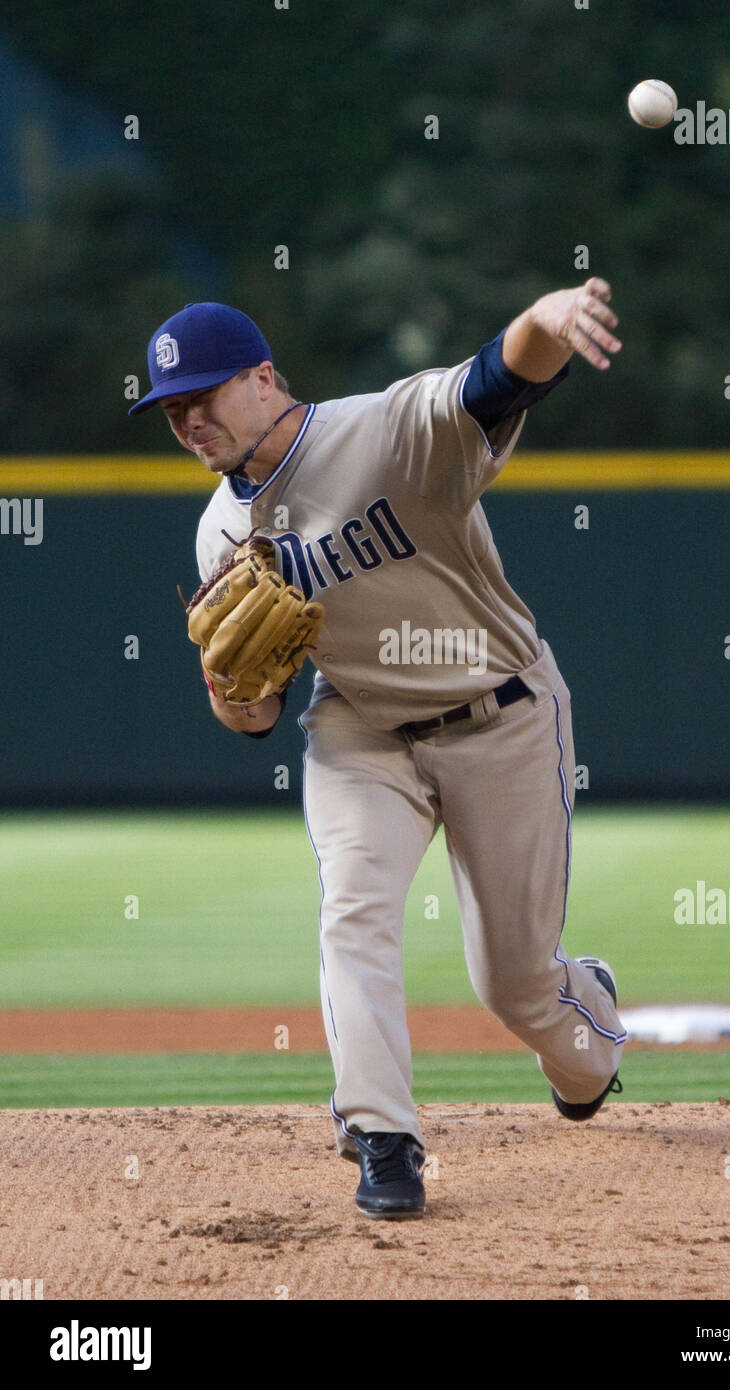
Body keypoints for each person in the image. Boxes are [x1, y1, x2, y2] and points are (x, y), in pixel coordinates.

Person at [130, 281, 628, 1220]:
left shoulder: (383, 431)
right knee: (354, 908)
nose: (190, 421)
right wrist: (235, 696)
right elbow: (257, 716)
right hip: (362, 731)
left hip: (504, 712)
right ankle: (382, 1135)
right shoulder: (219, 536)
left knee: (516, 986)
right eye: (172, 410)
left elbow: (494, 382)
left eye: (204, 396)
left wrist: (544, 323)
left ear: (266, 377)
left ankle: (585, 1022)